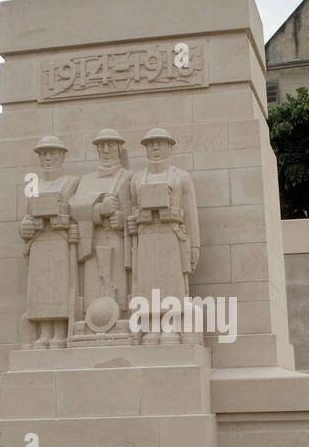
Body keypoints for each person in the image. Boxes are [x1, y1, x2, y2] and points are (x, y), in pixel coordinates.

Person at [129, 127, 200, 345]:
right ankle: (151, 327)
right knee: (148, 283)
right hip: (146, 237)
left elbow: (190, 213)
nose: (155, 148)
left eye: (160, 143)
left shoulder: (180, 177)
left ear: (170, 147)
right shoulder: (137, 179)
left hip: (171, 235)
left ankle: (171, 327)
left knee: (172, 283)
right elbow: (132, 208)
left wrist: (194, 246)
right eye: (151, 144)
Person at [66, 128, 132, 325]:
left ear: (119, 148)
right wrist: (98, 210)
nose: (105, 150)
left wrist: (122, 221)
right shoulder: (86, 181)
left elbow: (136, 209)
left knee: (117, 282)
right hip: (91, 240)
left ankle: (118, 320)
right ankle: (93, 321)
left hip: (117, 238)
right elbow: (73, 209)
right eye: (101, 146)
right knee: (93, 285)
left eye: (111, 145)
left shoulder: (128, 177)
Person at [19, 136, 77, 348]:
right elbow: (26, 216)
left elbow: (77, 213)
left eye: (52, 153)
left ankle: (59, 334)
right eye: (43, 153)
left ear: (62, 155)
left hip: (59, 241)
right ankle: (43, 334)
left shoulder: (72, 182)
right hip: (39, 243)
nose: (48, 157)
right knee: (40, 289)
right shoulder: (33, 185)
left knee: (58, 287)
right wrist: (24, 227)